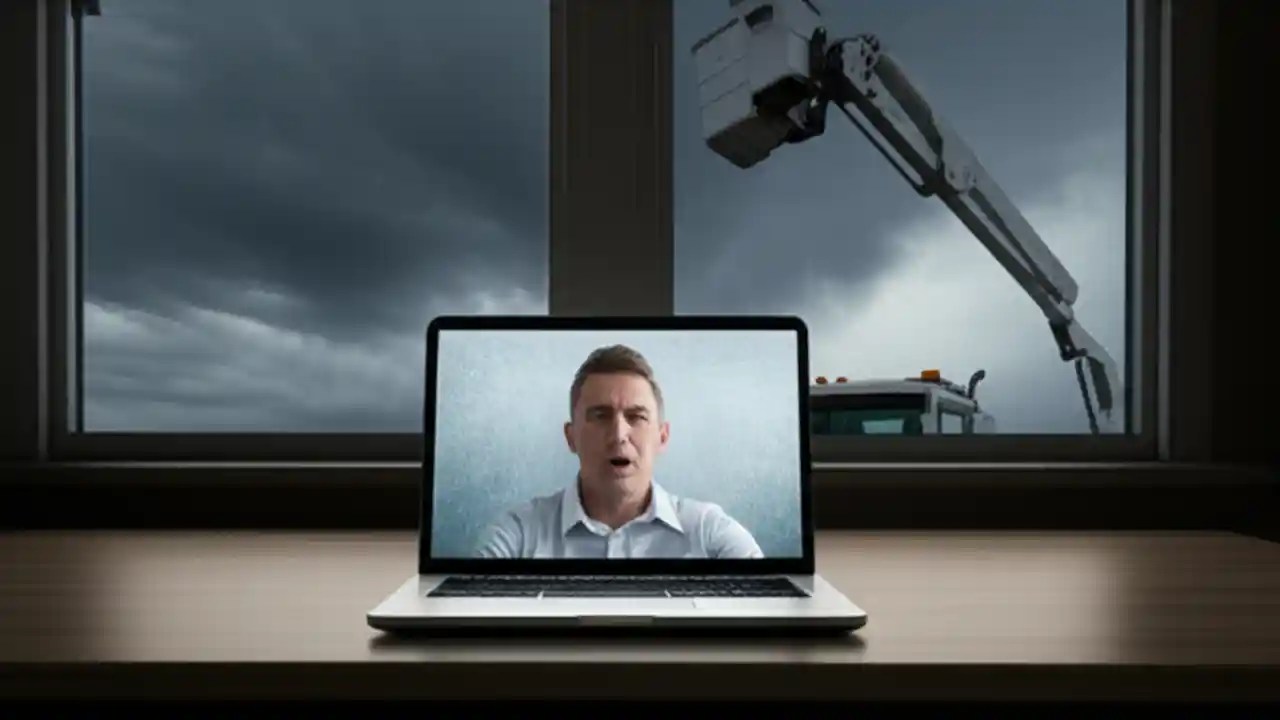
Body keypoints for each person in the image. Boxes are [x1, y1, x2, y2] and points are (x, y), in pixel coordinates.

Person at [474, 344, 764, 559]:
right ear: (571, 436)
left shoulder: (709, 531)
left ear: (662, 437)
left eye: (636, 417)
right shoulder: (518, 533)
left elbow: (767, 606)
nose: (618, 434)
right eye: (600, 415)